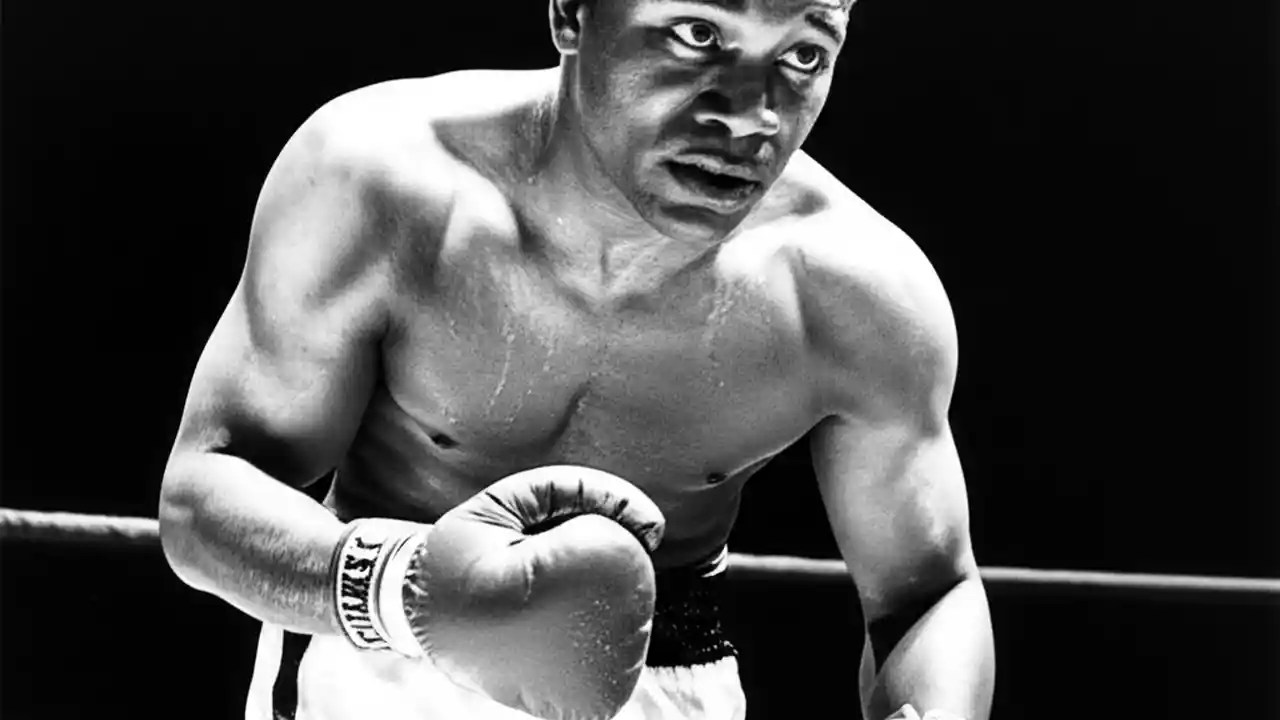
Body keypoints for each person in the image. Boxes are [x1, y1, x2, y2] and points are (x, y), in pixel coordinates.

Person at [158, 0, 995, 719]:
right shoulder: (382, 178)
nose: (749, 114)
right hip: (377, 664)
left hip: (669, 685)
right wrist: (417, 590)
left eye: (803, 54)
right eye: (696, 35)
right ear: (571, 12)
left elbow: (927, 592)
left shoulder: (857, 291)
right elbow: (204, 498)